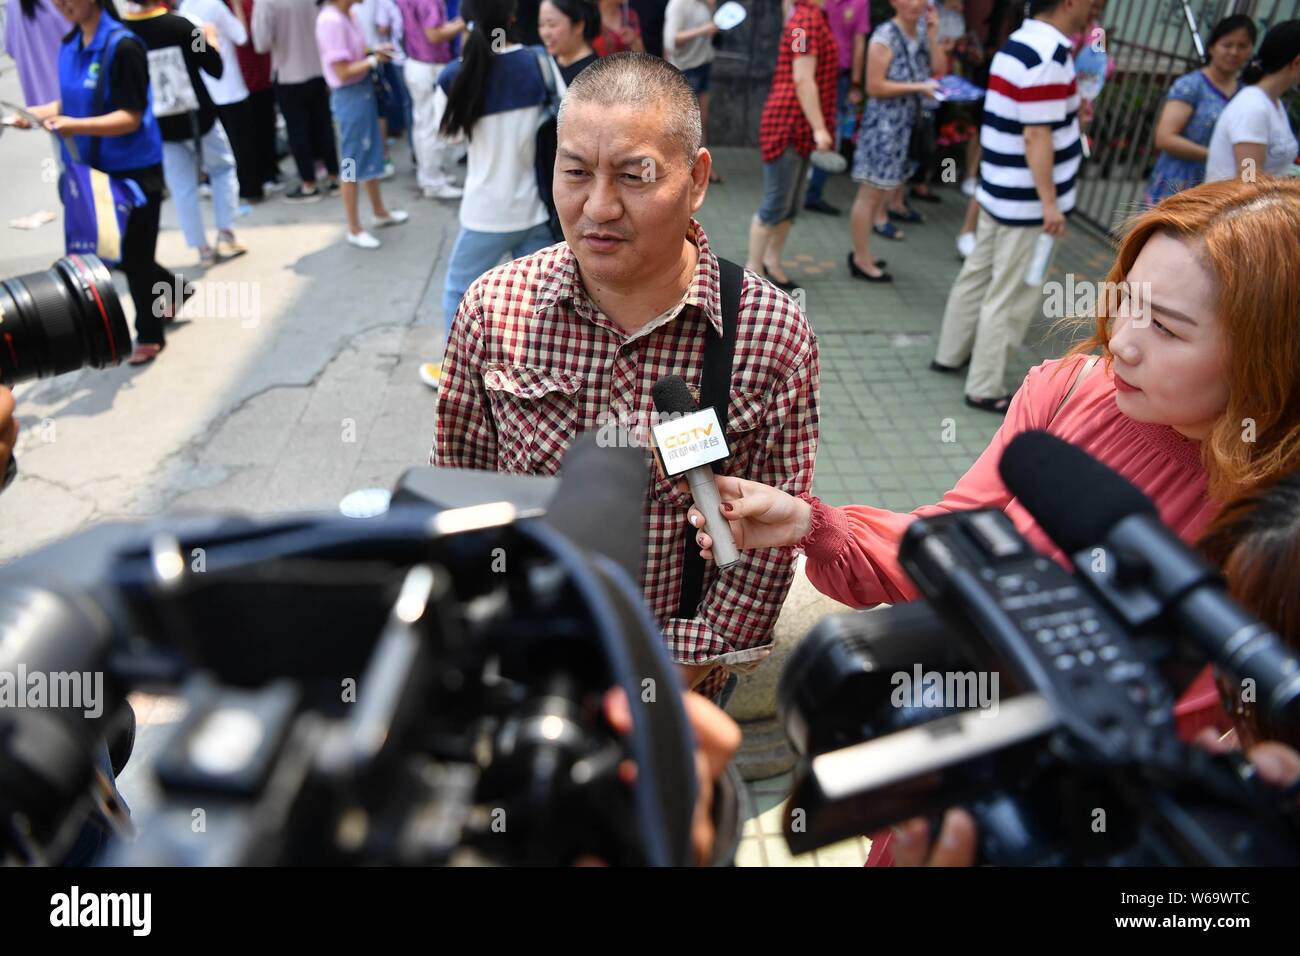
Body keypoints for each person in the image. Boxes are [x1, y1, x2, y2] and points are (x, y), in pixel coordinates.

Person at [434, 53, 820, 703]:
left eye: (635, 176)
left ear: (696, 179)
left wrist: (674, 677)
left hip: (682, 680)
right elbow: (460, 494)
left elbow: (764, 550)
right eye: (576, 172)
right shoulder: (493, 309)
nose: (599, 207)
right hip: (529, 663)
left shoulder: (769, 334)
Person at [929, 0, 1090, 413]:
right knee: (1011, 291)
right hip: (1027, 202)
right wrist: (1050, 204)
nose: (1096, 9)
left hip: (998, 190)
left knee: (978, 275)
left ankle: (950, 354)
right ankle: (984, 385)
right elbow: (1036, 135)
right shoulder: (1051, 55)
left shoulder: (1018, 43)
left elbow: (1029, 122)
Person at [9, 0, 185, 366]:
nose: (62, 5)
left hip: (135, 171)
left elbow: (131, 116)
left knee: (132, 256)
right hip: (91, 170)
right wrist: (39, 114)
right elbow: (74, 98)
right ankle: (172, 290)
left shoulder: (124, 46)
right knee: (112, 252)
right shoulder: (70, 43)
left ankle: (150, 332)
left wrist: (72, 125)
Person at [419, 0, 564, 388]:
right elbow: (564, 116)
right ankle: (539, 369)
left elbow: (446, 137)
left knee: (459, 291)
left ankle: (456, 372)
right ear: (514, 17)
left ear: (466, 22)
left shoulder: (455, 75)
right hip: (534, 207)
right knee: (538, 295)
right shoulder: (539, 64)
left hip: (484, 212)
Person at [123, 0, 246, 270]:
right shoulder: (182, 26)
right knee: (222, 169)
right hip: (198, 117)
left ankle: (201, 248)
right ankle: (226, 232)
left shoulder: (124, 34)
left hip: (159, 124)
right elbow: (214, 66)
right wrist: (210, 38)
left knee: (182, 186)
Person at [846, 0, 946, 281]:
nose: (915, 4)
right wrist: (919, 87)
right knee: (870, 194)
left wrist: (935, 34)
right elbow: (874, 86)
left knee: (882, 194)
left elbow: (939, 70)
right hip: (883, 129)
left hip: (905, 128)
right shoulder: (884, 36)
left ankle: (864, 253)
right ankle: (860, 258)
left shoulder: (922, 34)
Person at [748, 0, 838, 292]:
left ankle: (772, 263)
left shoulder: (808, 17)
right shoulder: (805, 20)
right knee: (775, 204)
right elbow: (802, 79)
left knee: (790, 205)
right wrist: (820, 128)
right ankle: (753, 270)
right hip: (788, 125)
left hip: (798, 126)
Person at [315, 0, 410, 248]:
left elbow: (355, 56)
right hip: (349, 96)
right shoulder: (331, 20)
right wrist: (373, 60)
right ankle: (353, 227)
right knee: (350, 160)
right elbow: (342, 71)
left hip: (362, 91)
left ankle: (378, 211)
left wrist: (373, 55)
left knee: (369, 154)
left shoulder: (349, 14)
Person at [1144, 14, 1255, 205]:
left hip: (1220, 188)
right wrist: (1215, 154)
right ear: (1212, 47)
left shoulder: (1246, 94)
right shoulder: (1191, 86)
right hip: (1178, 183)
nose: (1234, 52)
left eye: (1242, 46)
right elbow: (1164, 138)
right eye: (1227, 45)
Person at [253, 0, 340, 201]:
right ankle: (335, 177)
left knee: (298, 130)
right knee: (324, 126)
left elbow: (261, 43)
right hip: (319, 69)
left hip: (288, 73)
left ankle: (308, 184)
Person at [1205, 19, 1300, 185]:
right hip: (1235, 210)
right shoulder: (1253, 107)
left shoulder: (1273, 103)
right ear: (1297, 62)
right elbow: (1249, 180)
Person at [802, 0, 869, 215]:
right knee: (826, 132)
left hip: (833, 78)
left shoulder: (858, 4)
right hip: (817, 79)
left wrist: (855, 83)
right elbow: (800, 67)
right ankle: (809, 191)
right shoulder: (804, 17)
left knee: (826, 132)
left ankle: (809, 189)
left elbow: (859, 45)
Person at [395, 0, 464, 199]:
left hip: (417, 63)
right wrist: (463, 22)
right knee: (432, 127)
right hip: (429, 66)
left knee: (422, 125)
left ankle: (429, 176)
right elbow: (433, 34)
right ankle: (433, 181)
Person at [230, 0, 284, 200]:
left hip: (245, 80)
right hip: (240, 82)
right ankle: (258, 182)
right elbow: (242, 37)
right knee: (250, 134)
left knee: (251, 133)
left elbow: (243, 37)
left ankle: (259, 181)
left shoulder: (194, 11)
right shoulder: (208, 8)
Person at [662, 0, 720, 182]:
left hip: (704, 65)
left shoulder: (706, 4)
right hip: (685, 69)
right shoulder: (678, 4)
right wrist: (703, 30)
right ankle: (677, 170)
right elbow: (671, 41)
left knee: (702, 120)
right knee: (683, 124)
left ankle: (704, 168)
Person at [2, 0, 70, 106]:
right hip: (72, 103)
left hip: (38, 108)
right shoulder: (61, 4)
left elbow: (11, 49)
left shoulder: (12, 5)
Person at [538, 0, 597, 85]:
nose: (545, 33)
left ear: (578, 26)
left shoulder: (594, 75)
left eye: (552, 25)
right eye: (541, 25)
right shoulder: (546, 63)